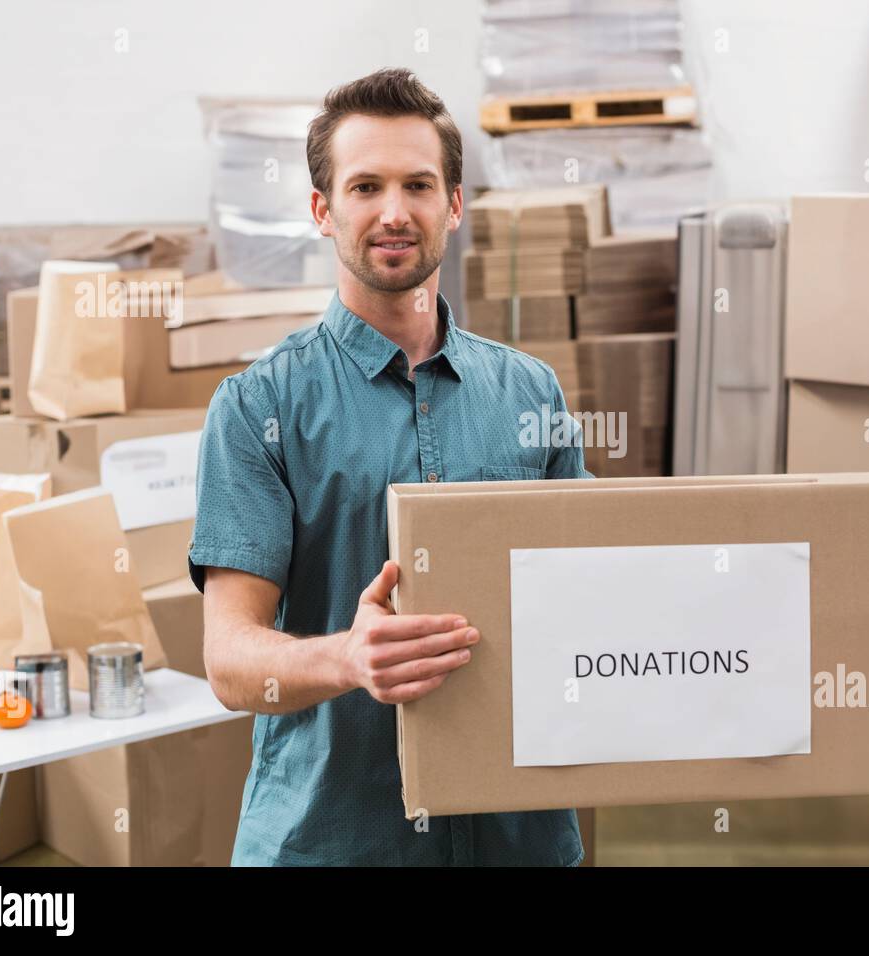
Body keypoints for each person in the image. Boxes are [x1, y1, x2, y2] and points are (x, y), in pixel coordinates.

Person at [190, 67, 588, 866]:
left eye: (418, 184)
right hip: (332, 840)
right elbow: (231, 662)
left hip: (517, 837)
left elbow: (584, 593)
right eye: (365, 186)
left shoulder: (531, 391)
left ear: (455, 204)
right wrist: (348, 656)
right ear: (322, 211)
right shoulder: (257, 407)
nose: (394, 212)